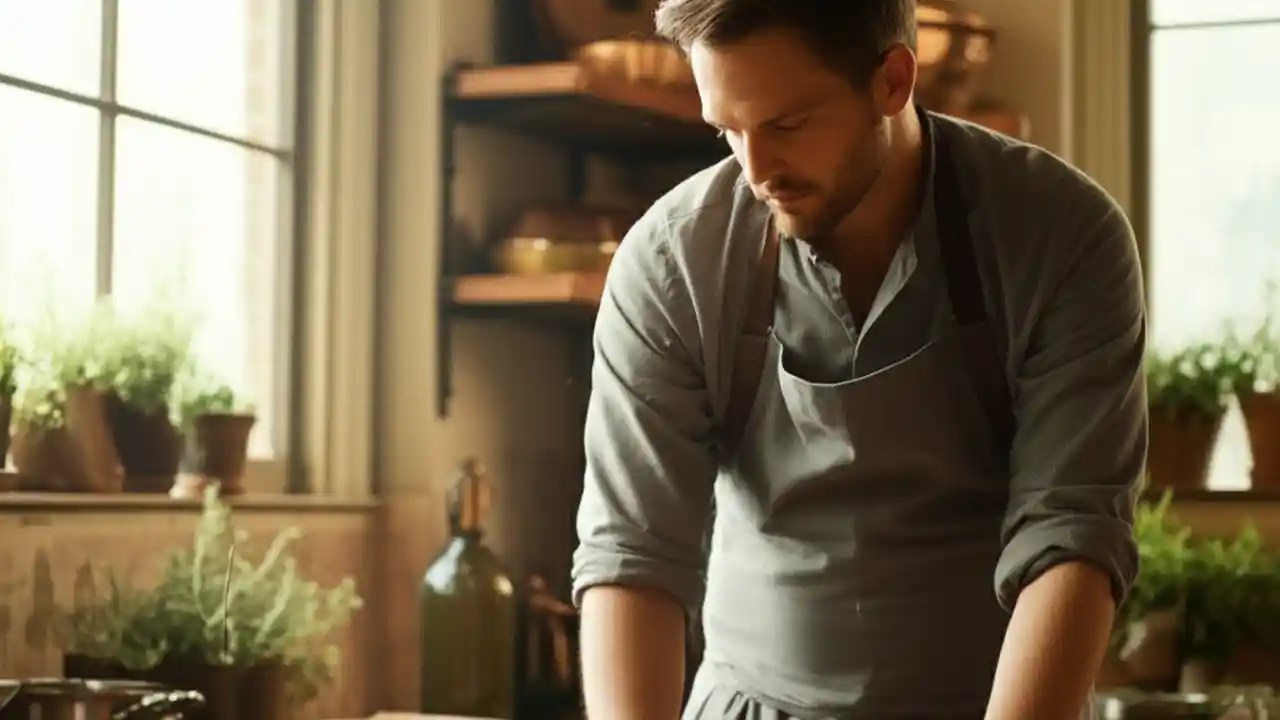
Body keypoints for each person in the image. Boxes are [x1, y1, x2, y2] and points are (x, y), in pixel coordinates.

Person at [571, 1, 1147, 718]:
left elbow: (1073, 539)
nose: (756, 170)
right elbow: (634, 555)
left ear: (892, 81)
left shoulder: (1061, 236)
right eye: (727, 131)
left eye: (786, 125)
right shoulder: (673, 261)